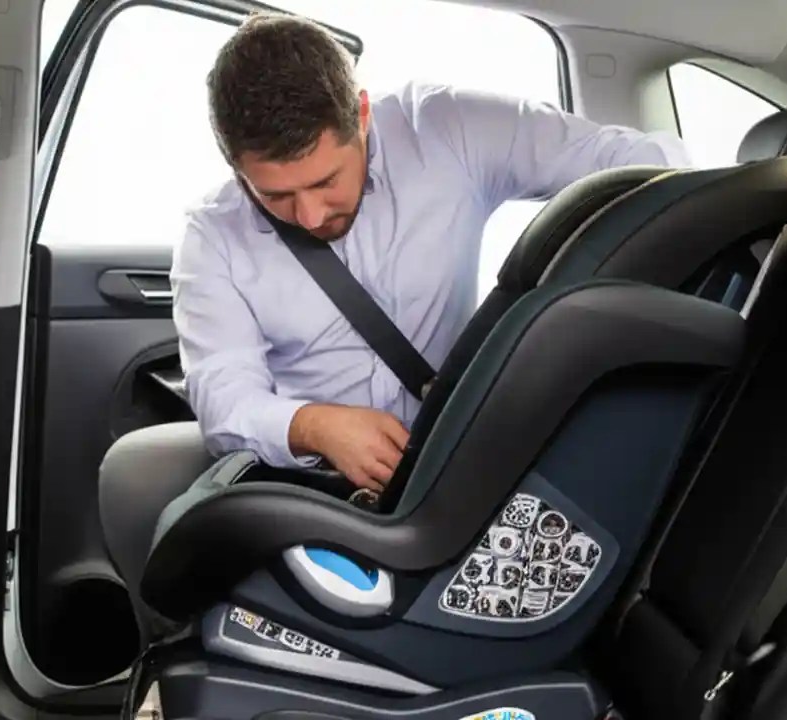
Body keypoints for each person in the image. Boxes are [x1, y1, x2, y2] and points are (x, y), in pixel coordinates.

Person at [101, 13, 690, 536]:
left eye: (326, 181)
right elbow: (223, 397)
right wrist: (314, 426)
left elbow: (641, 165)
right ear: (234, 165)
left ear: (361, 115)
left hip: (466, 462)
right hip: (317, 494)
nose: (309, 216)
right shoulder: (212, 238)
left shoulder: (448, 129)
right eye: (275, 195)